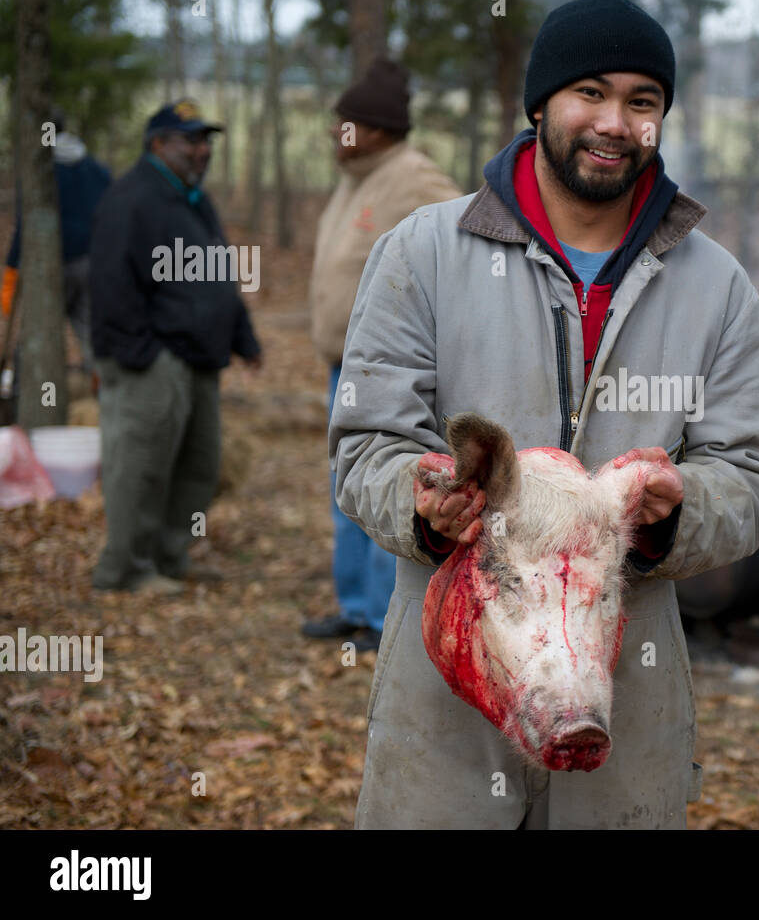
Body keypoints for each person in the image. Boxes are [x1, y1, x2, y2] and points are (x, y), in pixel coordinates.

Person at [329, 0, 759, 829]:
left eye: (642, 101)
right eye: (591, 93)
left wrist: (676, 516)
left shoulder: (715, 287)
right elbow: (365, 446)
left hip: (626, 693)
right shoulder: (423, 254)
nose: (615, 121)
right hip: (447, 681)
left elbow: (747, 480)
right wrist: (422, 503)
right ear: (540, 104)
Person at [302, 57, 463, 653]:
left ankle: (381, 615)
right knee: (347, 484)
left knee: (384, 481)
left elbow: (462, 251)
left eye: (345, 123)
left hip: (385, 368)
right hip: (341, 365)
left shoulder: (416, 179)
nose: (333, 132)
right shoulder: (356, 178)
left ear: (375, 129)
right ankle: (355, 606)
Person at [89, 99, 262, 596]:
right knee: (141, 467)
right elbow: (108, 284)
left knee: (199, 466)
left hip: (200, 360)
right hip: (151, 360)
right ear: (158, 144)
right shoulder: (130, 199)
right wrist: (141, 353)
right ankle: (125, 569)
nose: (202, 150)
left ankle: (169, 555)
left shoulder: (192, 199)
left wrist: (241, 336)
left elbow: (218, 274)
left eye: (206, 140)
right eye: (190, 139)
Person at [2, 108, 114, 369]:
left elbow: (26, 225)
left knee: (38, 338)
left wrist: (12, 269)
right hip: (92, 264)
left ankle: (25, 394)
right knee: (93, 338)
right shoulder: (97, 170)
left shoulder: (39, 173)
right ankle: (100, 390)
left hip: (52, 268)